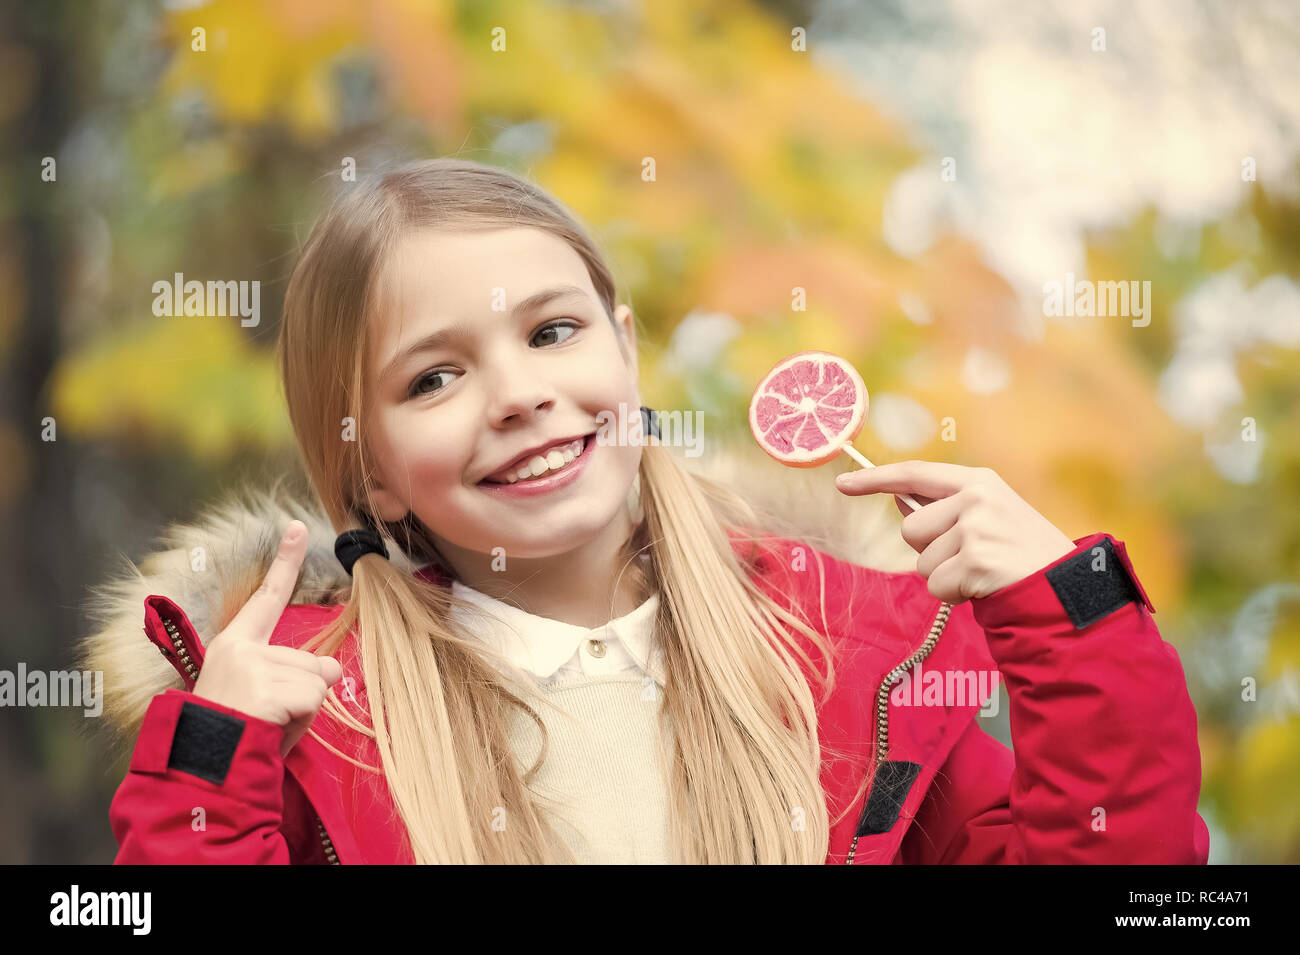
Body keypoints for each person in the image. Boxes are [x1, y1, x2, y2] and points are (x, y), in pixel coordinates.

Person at [82, 158, 1209, 864]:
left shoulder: (851, 657)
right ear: (370, 471)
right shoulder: (306, 721)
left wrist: (1074, 619)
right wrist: (215, 759)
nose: (519, 393)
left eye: (550, 331)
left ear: (624, 348)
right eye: (433, 378)